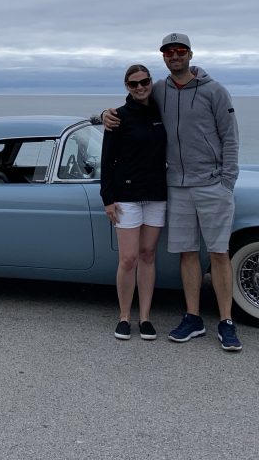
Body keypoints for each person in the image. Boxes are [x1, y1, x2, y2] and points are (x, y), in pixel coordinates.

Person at [102, 33, 242, 352]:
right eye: (168, 52)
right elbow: (128, 114)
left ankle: (226, 321)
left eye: (180, 51)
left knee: (219, 252)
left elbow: (231, 139)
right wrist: (104, 115)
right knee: (187, 253)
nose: (174, 56)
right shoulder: (160, 91)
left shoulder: (215, 91)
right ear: (163, 57)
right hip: (175, 186)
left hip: (211, 184)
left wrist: (226, 183)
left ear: (190, 54)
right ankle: (192, 318)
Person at [100, 64, 167, 342]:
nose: (140, 87)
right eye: (133, 84)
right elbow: (107, 160)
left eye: (144, 82)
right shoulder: (117, 117)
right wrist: (108, 199)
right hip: (126, 197)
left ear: (151, 82)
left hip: (156, 194)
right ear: (126, 86)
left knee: (148, 255)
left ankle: (146, 317)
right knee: (128, 259)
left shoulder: (161, 111)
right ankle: (125, 316)